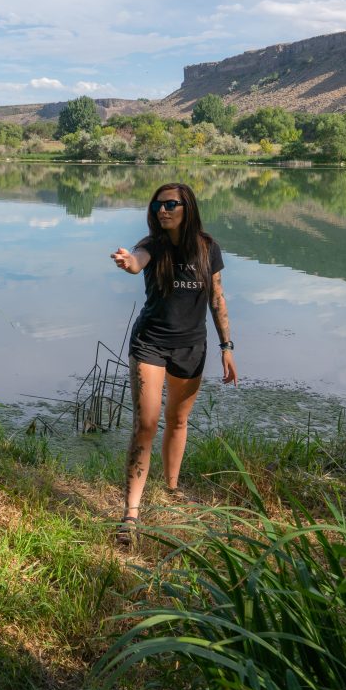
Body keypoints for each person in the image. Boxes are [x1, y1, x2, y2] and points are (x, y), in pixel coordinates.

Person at [110, 182, 238, 545]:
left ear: (187, 208)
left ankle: (171, 488)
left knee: (178, 420)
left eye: (170, 205)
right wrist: (128, 262)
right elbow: (137, 261)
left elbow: (217, 298)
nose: (162, 211)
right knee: (146, 424)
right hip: (150, 343)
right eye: (157, 206)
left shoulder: (208, 248)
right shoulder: (151, 245)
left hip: (191, 346)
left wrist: (227, 346)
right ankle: (131, 513)